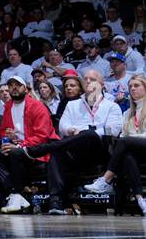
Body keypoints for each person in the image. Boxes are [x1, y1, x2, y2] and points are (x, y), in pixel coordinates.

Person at [42, 70, 122, 215]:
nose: (88, 81)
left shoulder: (111, 106)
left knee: (89, 135)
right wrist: (73, 131)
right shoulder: (73, 105)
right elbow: (63, 127)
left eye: (93, 79)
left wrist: (84, 133)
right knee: (57, 151)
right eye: (86, 79)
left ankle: (43, 148)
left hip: (100, 151)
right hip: (76, 152)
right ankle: (56, 201)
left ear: (102, 84)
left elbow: (114, 129)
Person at [82, 74, 146, 213]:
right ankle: (141, 199)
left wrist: (131, 138)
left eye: (137, 86)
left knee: (124, 142)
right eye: (130, 86)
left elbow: (126, 138)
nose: (133, 89)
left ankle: (106, 179)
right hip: (137, 152)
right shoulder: (128, 113)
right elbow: (123, 134)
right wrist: (130, 140)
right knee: (127, 156)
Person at [0, 77, 58, 214]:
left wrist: (19, 145)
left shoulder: (37, 106)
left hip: (39, 149)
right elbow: (2, 131)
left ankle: (17, 193)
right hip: (19, 148)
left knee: (14, 153)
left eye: (18, 85)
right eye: (10, 85)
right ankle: (14, 193)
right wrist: (7, 139)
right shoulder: (8, 106)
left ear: (26, 88)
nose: (13, 87)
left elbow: (42, 136)